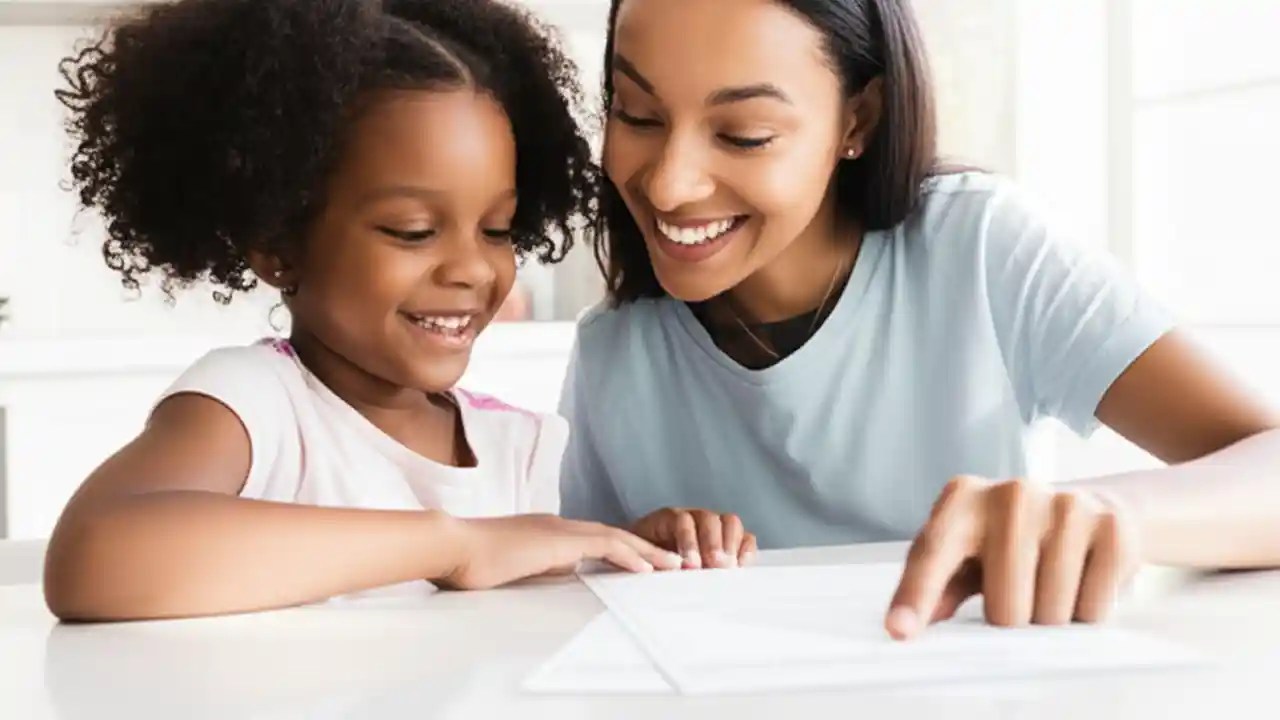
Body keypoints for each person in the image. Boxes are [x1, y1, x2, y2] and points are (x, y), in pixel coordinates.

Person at [560, 0, 1280, 639]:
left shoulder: (981, 249)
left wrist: (1111, 511)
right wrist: (630, 549)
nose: (668, 182)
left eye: (745, 134)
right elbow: (572, 589)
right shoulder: (610, 352)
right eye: (637, 114)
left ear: (859, 120)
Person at [43, 0, 680, 623]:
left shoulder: (517, 447)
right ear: (278, 245)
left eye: (496, 229)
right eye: (411, 230)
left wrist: (625, 552)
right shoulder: (254, 406)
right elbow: (93, 557)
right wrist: (453, 544)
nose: (472, 269)